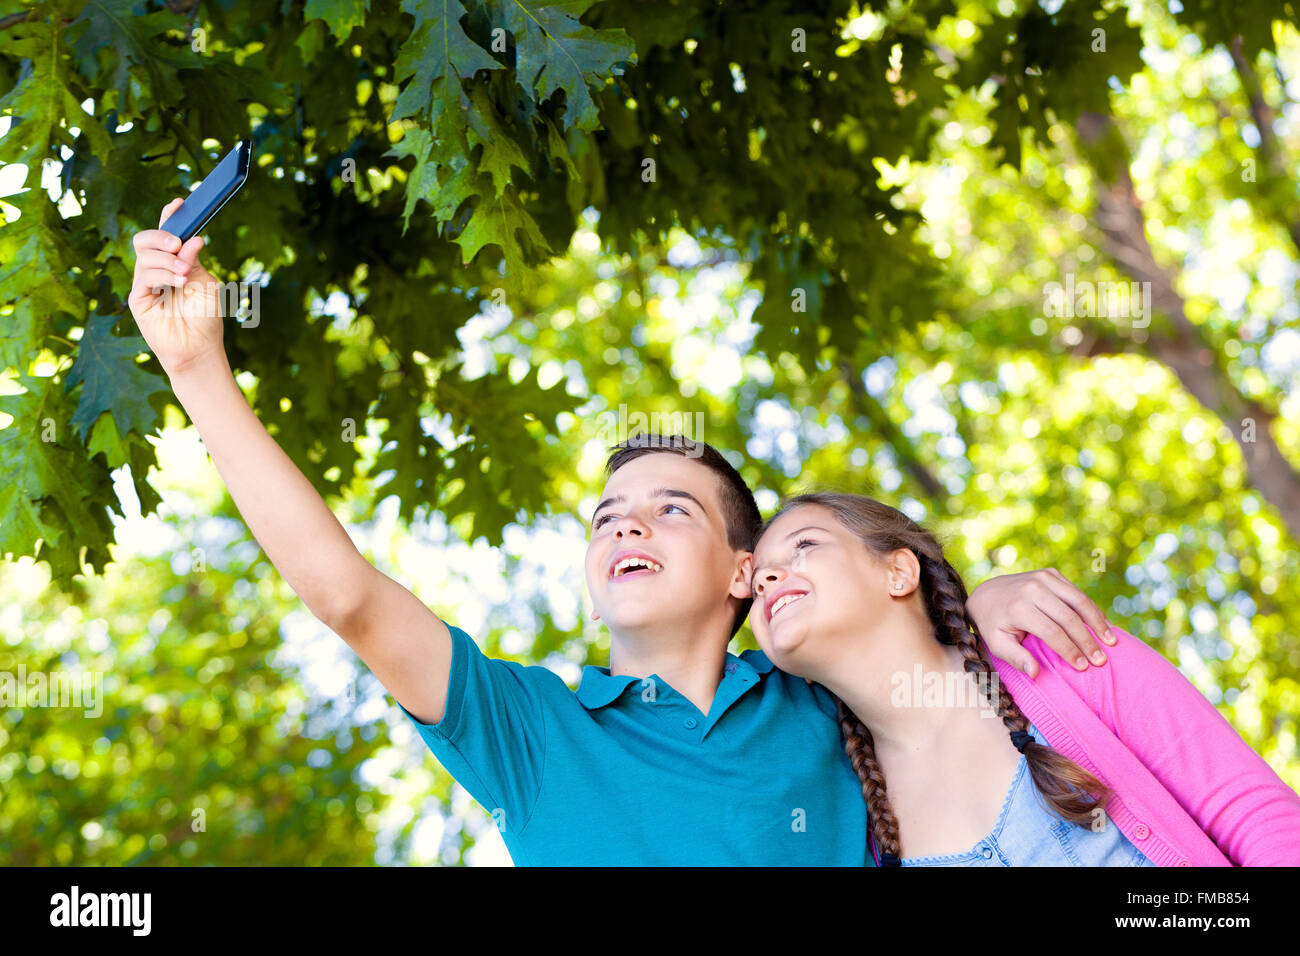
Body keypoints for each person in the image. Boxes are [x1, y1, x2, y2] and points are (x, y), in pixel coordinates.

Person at [128, 204, 1119, 864]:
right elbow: (344, 593)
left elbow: (927, 672)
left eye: (668, 507)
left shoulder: (822, 711)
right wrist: (197, 370)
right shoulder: (531, 729)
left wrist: (981, 608)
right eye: (607, 516)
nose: (626, 524)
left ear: (747, 572)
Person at [748, 491, 1300, 866]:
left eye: (805, 545)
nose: (769, 577)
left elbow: (1256, 818)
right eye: (756, 584)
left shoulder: (1056, 651)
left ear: (899, 571)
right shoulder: (849, 816)